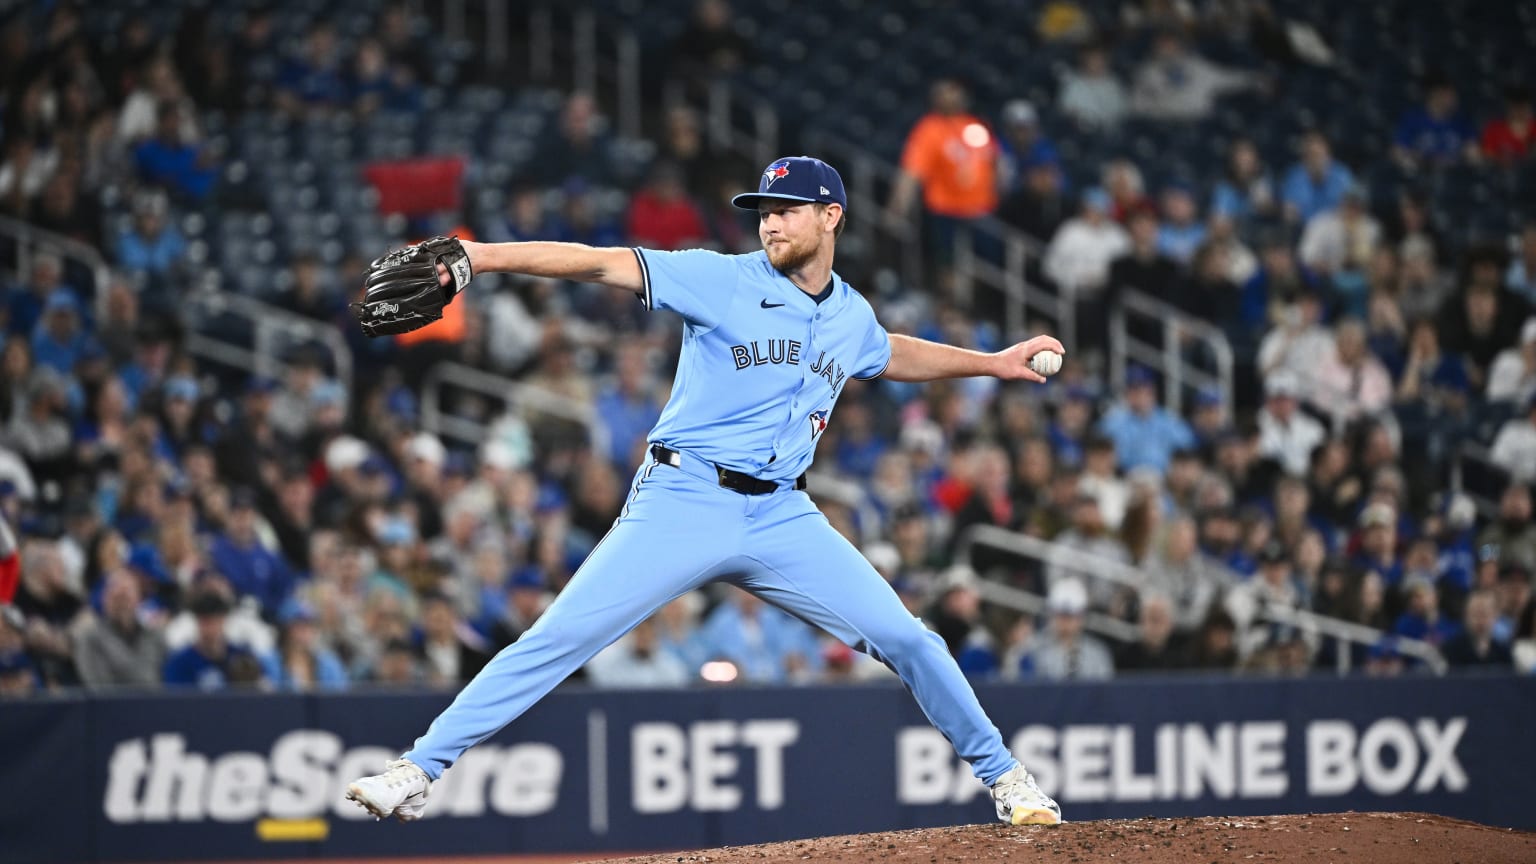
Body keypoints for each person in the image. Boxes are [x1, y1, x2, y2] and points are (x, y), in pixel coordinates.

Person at [345, 156, 1065, 826]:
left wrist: (992, 365)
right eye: (763, 211)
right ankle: (418, 769)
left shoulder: (849, 313)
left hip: (782, 511)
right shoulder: (721, 278)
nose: (771, 221)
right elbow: (599, 265)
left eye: (787, 208)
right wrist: (478, 256)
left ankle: (1006, 780)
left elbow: (889, 352)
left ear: (831, 217)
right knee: (561, 637)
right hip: (686, 497)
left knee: (911, 638)